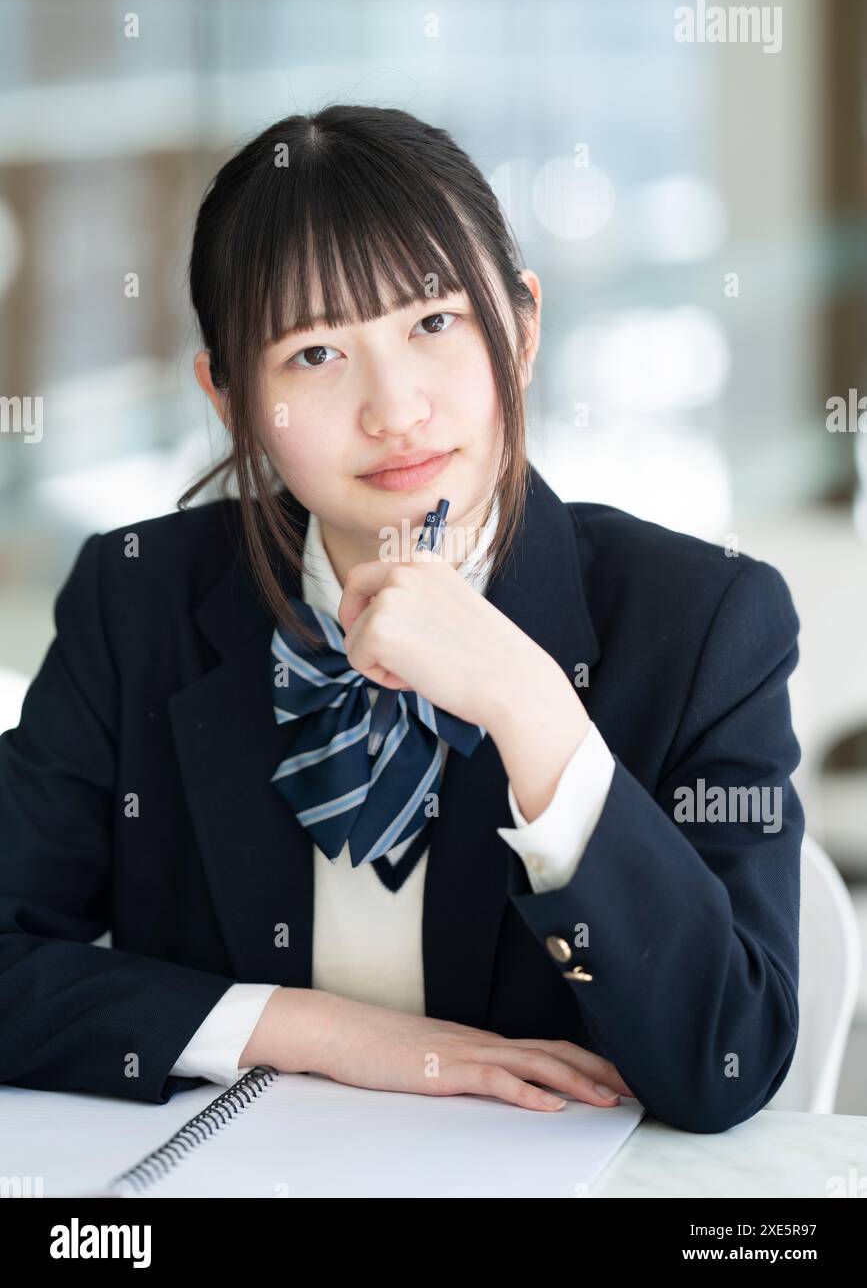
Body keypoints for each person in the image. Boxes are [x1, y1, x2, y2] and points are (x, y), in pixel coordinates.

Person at [0, 104, 803, 1135]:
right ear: (230, 394)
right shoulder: (139, 601)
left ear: (520, 328)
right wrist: (316, 1030)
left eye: (433, 324)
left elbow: (727, 1057)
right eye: (315, 354)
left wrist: (533, 711)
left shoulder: (702, 621)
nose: (394, 410)